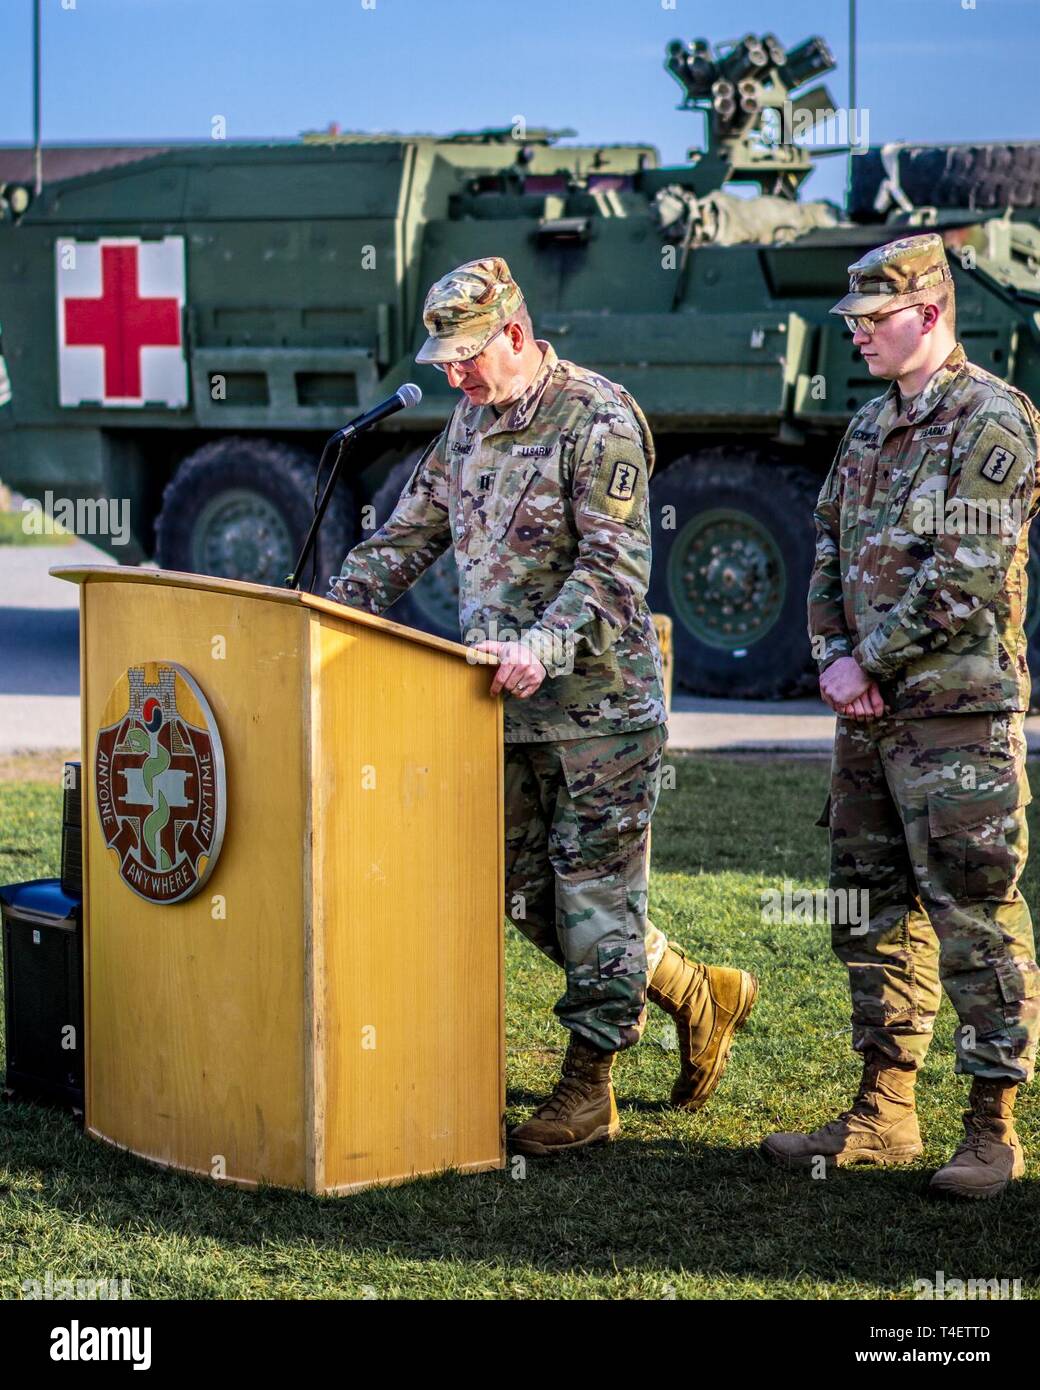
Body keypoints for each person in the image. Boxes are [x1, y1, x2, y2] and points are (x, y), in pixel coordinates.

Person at [327, 256, 757, 1155]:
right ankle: (692, 988)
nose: (453, 376)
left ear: (515, 335)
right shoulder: (466, 426)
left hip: (600, 712)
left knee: (595, 898)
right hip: (502, 710)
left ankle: (587, 1090)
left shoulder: (597, 418)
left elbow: (614, 571)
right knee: (527, 899)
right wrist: (327, 611)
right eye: (443, 363)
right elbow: (409, 534)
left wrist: (541, 646)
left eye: (466, 358)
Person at [761, 233, 1040, 1198]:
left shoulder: (995, 421)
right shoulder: (869, 427)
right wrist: (835, 659)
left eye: (873, 322)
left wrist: (866, 663)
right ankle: (884, 1112)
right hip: (870, 718)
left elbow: (963, 577)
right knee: (870, 910)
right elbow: (828, 550)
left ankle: (994, 1132)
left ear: (929, 313)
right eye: (852, 323)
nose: (858, 339)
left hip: (956, 715)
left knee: (974, 912)